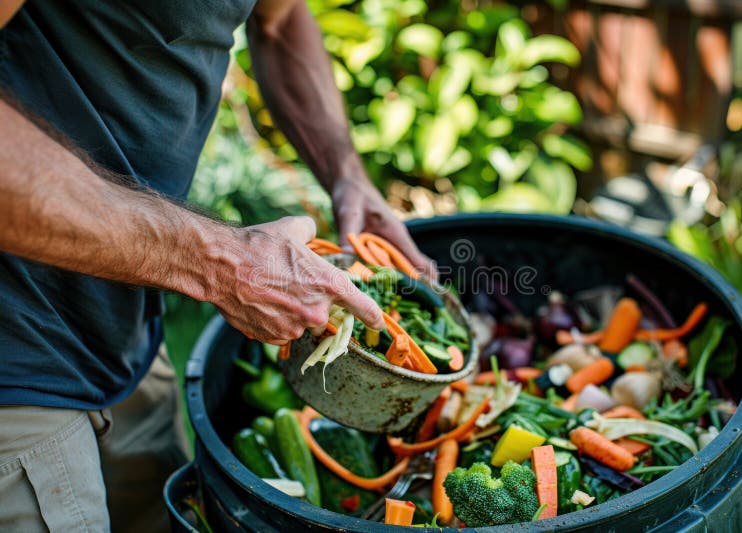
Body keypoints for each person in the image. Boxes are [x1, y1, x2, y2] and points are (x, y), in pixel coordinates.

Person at [0, 1, 436, 531]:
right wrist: (219, 264)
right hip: (16, 353)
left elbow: (279, 21)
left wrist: (347, 175)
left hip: (121, 325)